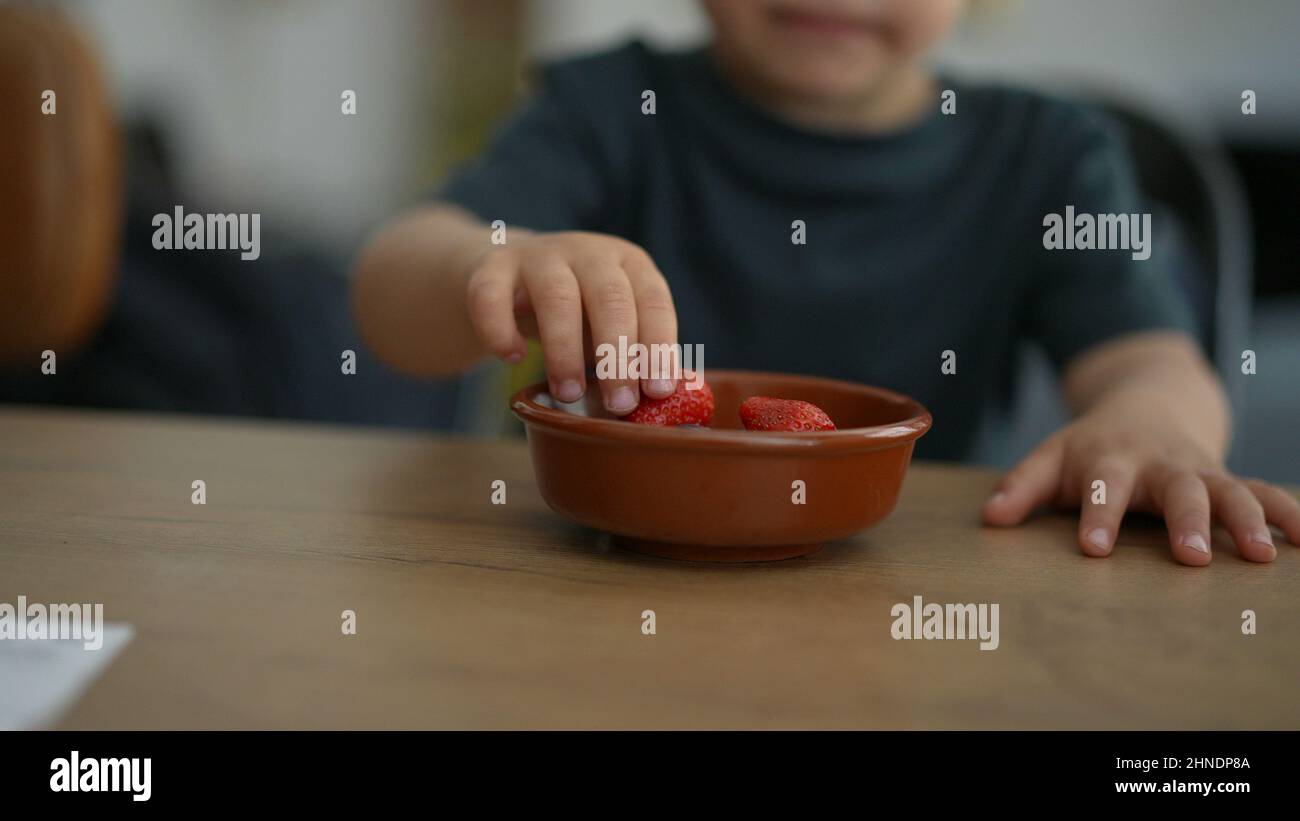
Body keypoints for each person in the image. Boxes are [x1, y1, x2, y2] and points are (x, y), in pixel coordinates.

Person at [351, 0, 1300, 565]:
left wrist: (1155, 425)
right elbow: (394, 284)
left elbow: (1151, 356)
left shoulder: (1050, 157)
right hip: (582, 580)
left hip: (893, 591)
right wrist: (486, 263)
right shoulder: (606, 109)